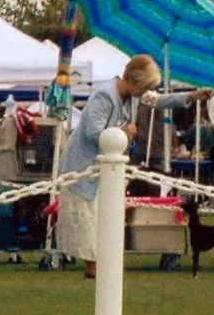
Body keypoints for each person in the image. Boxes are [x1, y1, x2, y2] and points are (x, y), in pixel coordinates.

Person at [59, 54, 164, 276]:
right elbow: (92, 132)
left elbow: (159, 100)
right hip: (83, 164)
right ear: (135, 81)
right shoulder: (105, 96)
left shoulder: (132, 97)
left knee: (104, 214)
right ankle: (93, 265)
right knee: (87, 215)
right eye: (145, 87)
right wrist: (124, 133)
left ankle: (101, 261)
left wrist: (191, 96)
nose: (146, 93)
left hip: (105, 167)